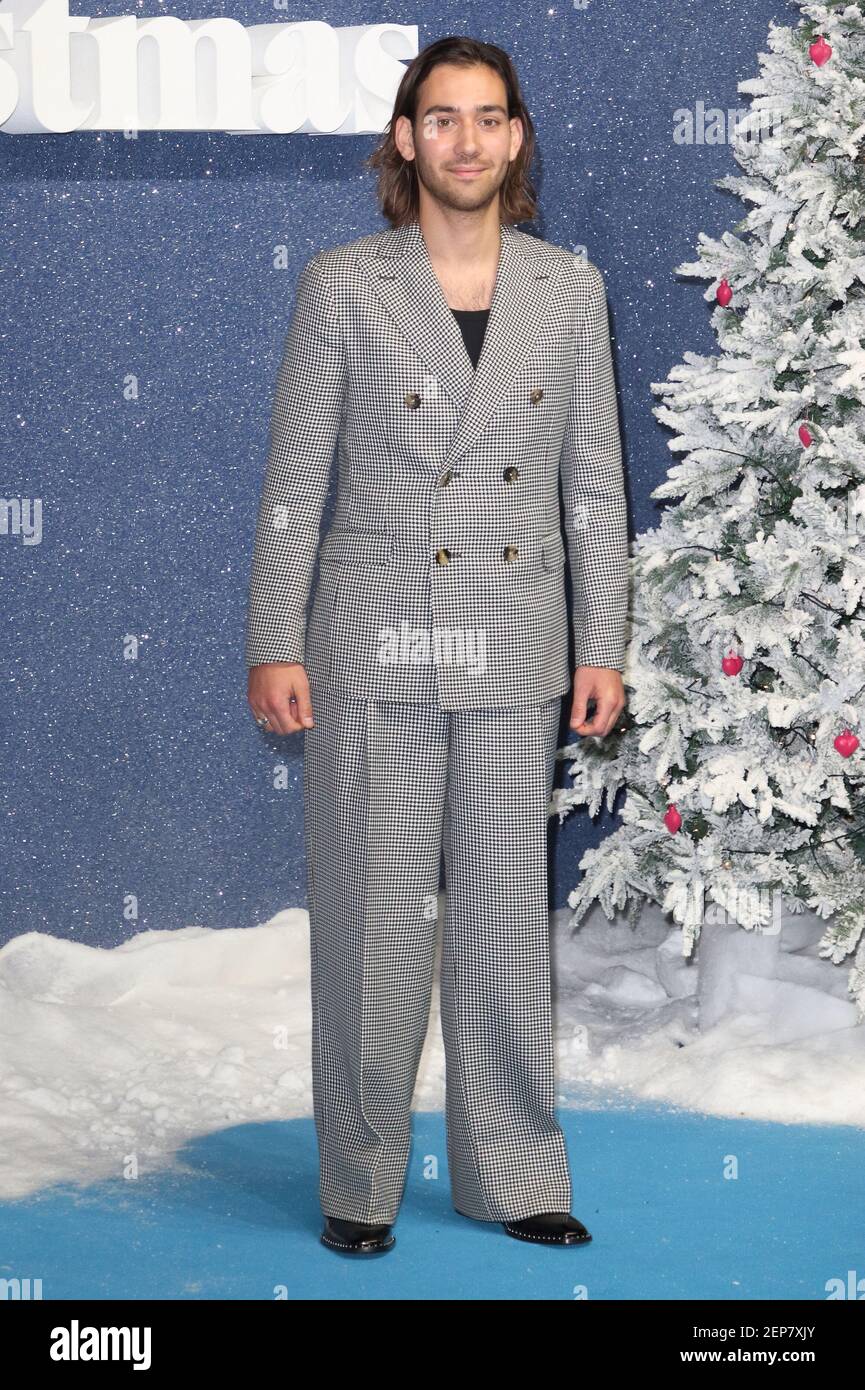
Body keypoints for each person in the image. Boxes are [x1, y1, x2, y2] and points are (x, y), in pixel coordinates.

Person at [245, 34, 629, 1256]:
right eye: (441, 117)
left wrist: (602, 641)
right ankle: (359, 1181)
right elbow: (297, 482)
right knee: (374, 924)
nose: (465, 139)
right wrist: (272, 635)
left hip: (516, 645)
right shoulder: (345, 284)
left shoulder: (570, 290)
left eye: (489, 117)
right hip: (371, 648)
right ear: (405, 138)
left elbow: (595, 493)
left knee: (506, 925)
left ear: (515, 139)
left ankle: (512, 1172)